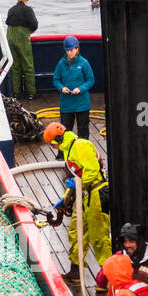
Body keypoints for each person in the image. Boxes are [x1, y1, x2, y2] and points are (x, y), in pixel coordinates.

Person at [43, 121, 111, 285]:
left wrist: (77, 183)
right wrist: (65, 199)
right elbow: (77, 177)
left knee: (99, 236)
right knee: (76, 232)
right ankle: (76, 270)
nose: (53, 148)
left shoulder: (81, 146)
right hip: (83, 194)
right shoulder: (68, 151)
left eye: (52, 144)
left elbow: (92, 172)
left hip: (96, 193)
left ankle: (109, 277)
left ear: (58, 140)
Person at [52, 36, 95, 136]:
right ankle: (64, 152)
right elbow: (56, 79)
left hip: (82, 103)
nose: (69, 52)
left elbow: (90, 80)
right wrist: (61, 88)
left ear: (77, 48)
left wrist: (80, 89)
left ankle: (83, 151)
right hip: (66, 104)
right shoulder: (61, 64)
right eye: (67, 50)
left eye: (71, 50)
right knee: (65, 132)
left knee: (83, 130)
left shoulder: (84, 63)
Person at [5, 0, 38, 100]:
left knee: (15, 65)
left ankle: (16, 93)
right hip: (21, 36)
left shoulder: (11, 9)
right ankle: (31, 93)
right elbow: (34, 25)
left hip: (10, 35)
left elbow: (7, 22)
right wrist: (28, 32)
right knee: (27, 64)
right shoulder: (28, 10)